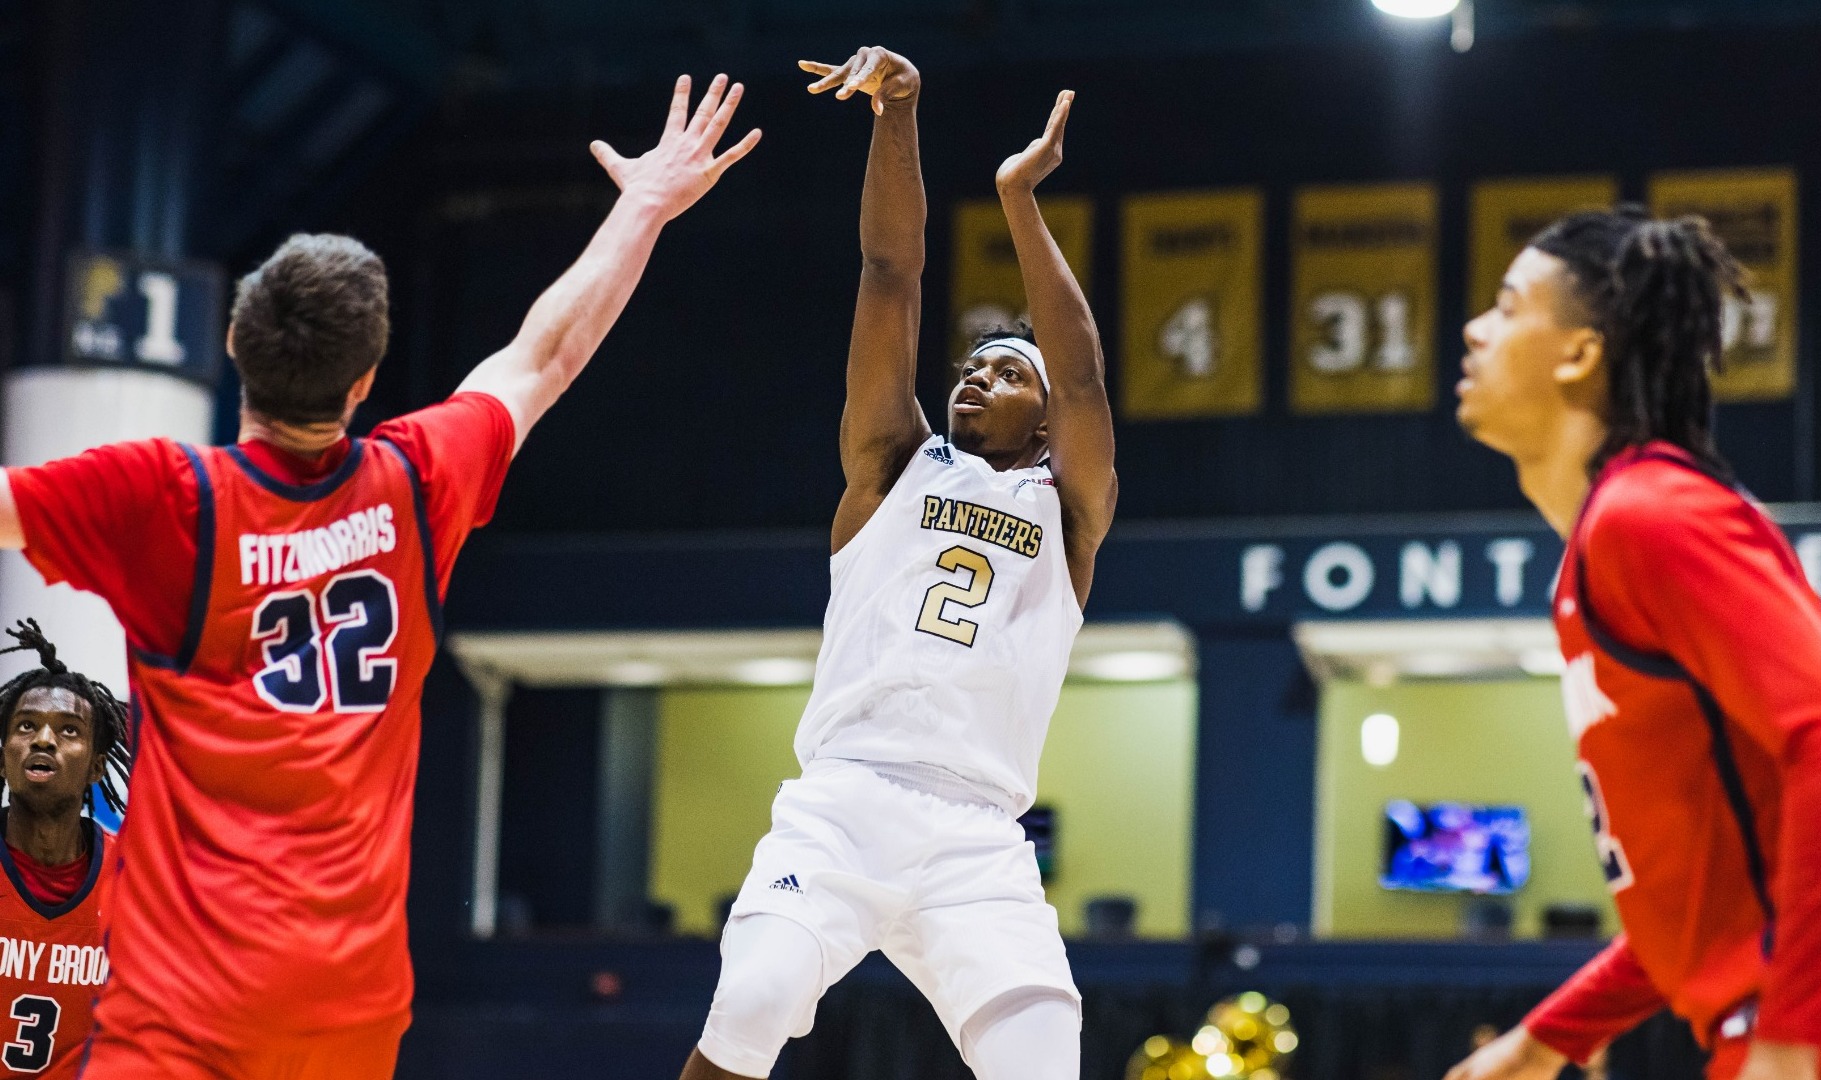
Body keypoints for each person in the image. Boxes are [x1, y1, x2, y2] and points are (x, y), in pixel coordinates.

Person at [0, 73, 759, 1080]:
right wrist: (645, 205)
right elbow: (546, 354)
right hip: (349, 1009)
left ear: (233, 346)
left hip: (188, 1010)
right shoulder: (415, 482)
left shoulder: (165, 500)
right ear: (363, 381)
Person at [679, 47, 1116, 1080]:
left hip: (979, 835)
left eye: (1007, 373)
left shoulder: (1067, 512)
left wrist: (1019, 201)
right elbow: (891, 273)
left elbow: (1085, 375)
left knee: (1044, 1061)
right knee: (752, 1002)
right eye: (971, 364)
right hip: (845, 802)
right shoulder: (892, 464)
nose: (977, 376)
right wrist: (899, 113)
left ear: (1047, 427)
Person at [1446, 206, 1821, 1080]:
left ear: (1580, 354)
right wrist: (1543, 1041)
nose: (1474, 330)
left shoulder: (1651, 515)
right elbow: (1703, 904)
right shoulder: (1606, 544)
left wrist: (1788, 1044)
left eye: (1507, 308)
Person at [0, 620, 129, 1080]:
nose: (43, 739)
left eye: (69, 730)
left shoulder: (134, 881)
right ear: (3, 758)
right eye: (26, 725)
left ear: (97, 767)